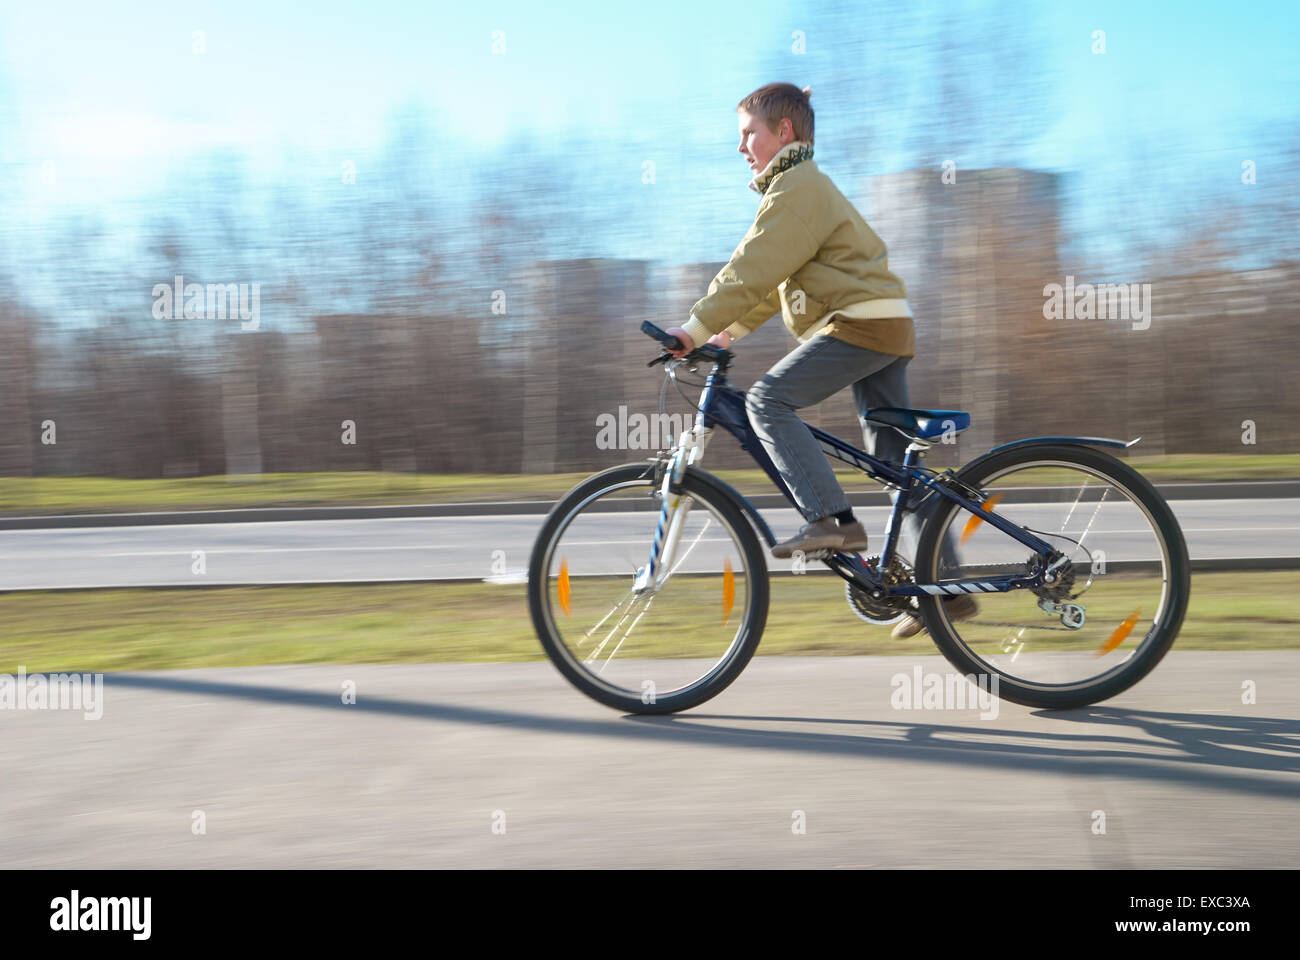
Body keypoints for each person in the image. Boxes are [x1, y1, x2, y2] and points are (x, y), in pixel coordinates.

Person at [663, 81, 973, 638]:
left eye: (747, 134)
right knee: (893, 462)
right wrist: (723, 332)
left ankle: (833, 522)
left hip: (860, 324)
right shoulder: (799, 190)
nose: (741, 147)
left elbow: (752, 265)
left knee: (767, 400)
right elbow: (768, 281)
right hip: (882, 323)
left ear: (783, 132)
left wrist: (693, 327)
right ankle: (944, 587)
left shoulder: (796, 187)